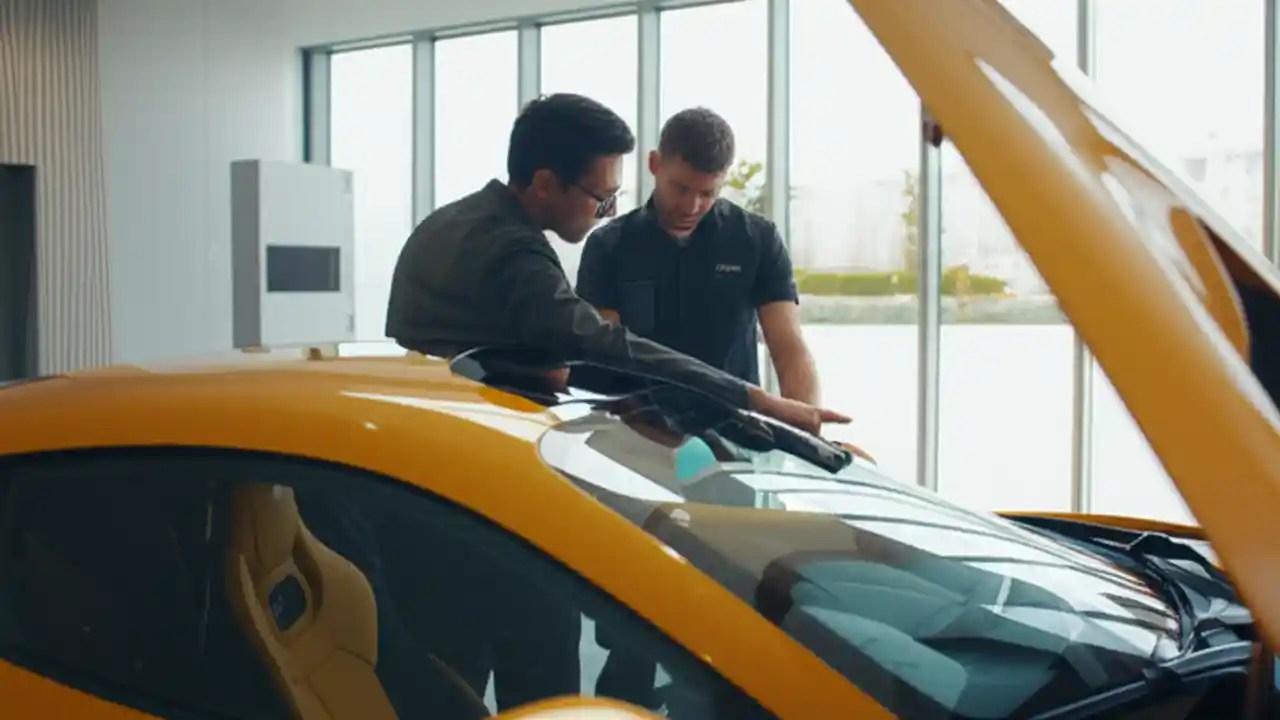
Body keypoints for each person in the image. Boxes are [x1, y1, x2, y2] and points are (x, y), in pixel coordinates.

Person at [384, 92, 847, 435]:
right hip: (466, 445)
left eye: (708, 193)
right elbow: (602, 348)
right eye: (602, 199)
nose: (605, 211)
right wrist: (757, 400)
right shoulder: (516, 252)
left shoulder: (454, 222)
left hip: (427, 434)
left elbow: (533, 357)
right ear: (545, 184)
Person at [576, 107, 822, 404]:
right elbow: (604, 358)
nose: (691, 206)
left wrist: (807, 429)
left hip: (734, 429)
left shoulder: (757, 240)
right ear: (654, 164)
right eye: (680, 188)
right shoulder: (608, 246)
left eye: (707, 194)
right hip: (635, 430)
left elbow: (789, 349)